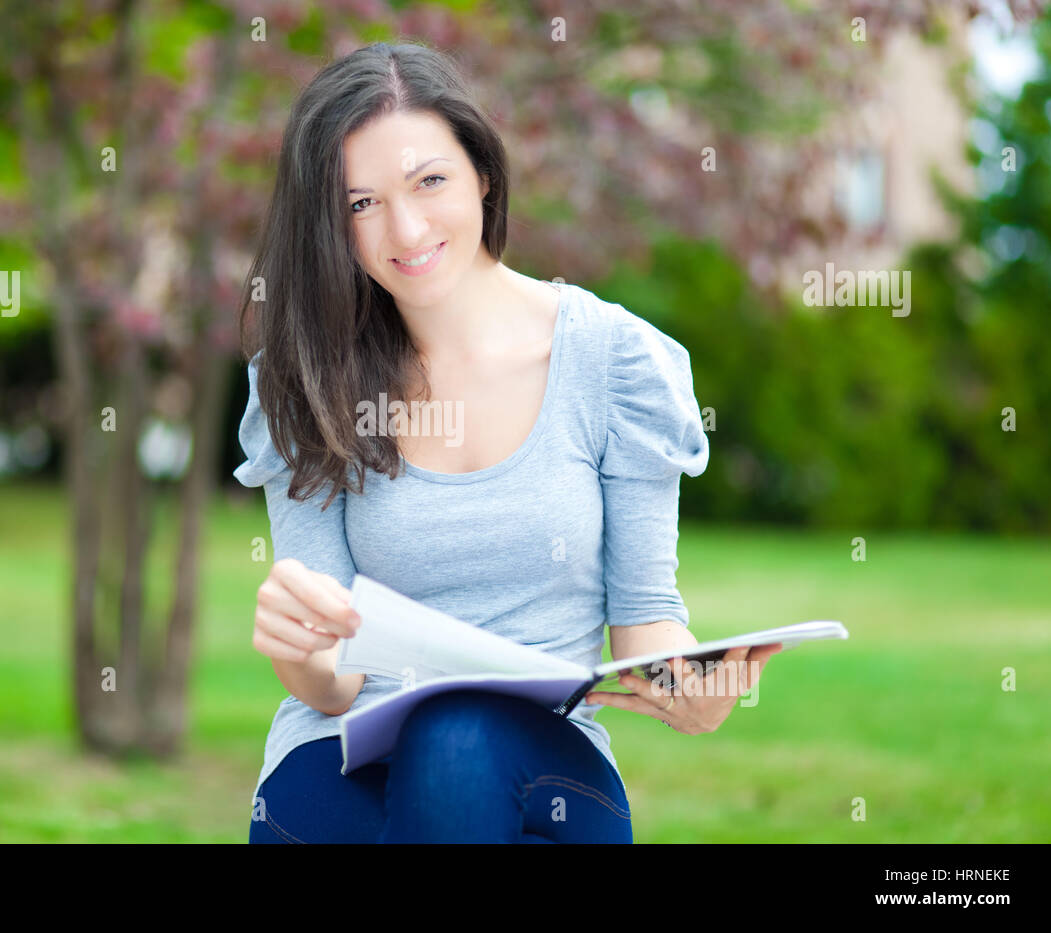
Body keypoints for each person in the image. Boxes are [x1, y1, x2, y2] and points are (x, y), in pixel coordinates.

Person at [233, 41, 780, 844]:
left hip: (545, 765)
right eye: (361, 203)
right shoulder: (306, 374)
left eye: (430, 181)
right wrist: (299, 648)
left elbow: (645, 619)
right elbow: (331, 682)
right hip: (343, 751)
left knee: (454, 736)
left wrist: (691, 688)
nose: (406, 227)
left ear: (483, 173)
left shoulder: (613, 361)